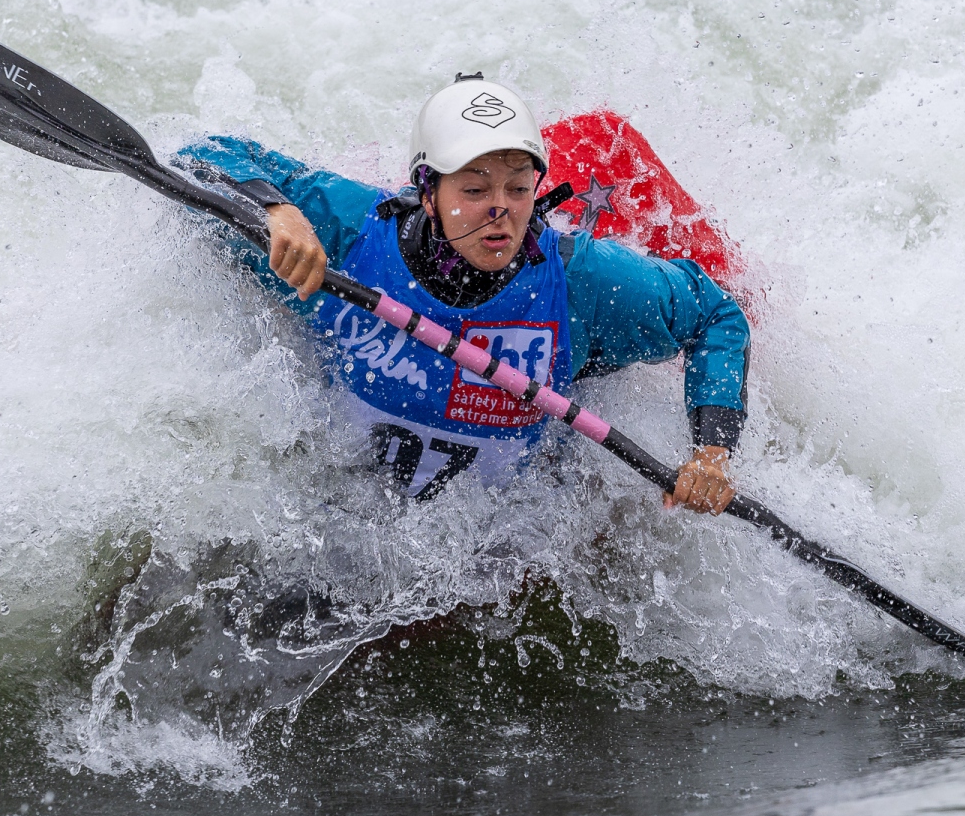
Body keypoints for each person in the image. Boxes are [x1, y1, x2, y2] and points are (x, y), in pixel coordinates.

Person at [177, 74, 750, 514]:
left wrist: (711, 452)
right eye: (474, 189)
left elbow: (718, 314)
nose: (500, 210)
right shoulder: (350, 225)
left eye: (519, 189)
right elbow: (202, 153)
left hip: (500, 530)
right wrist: (277, 209)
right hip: (344, 499)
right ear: (427, 193)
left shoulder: (587, 280)